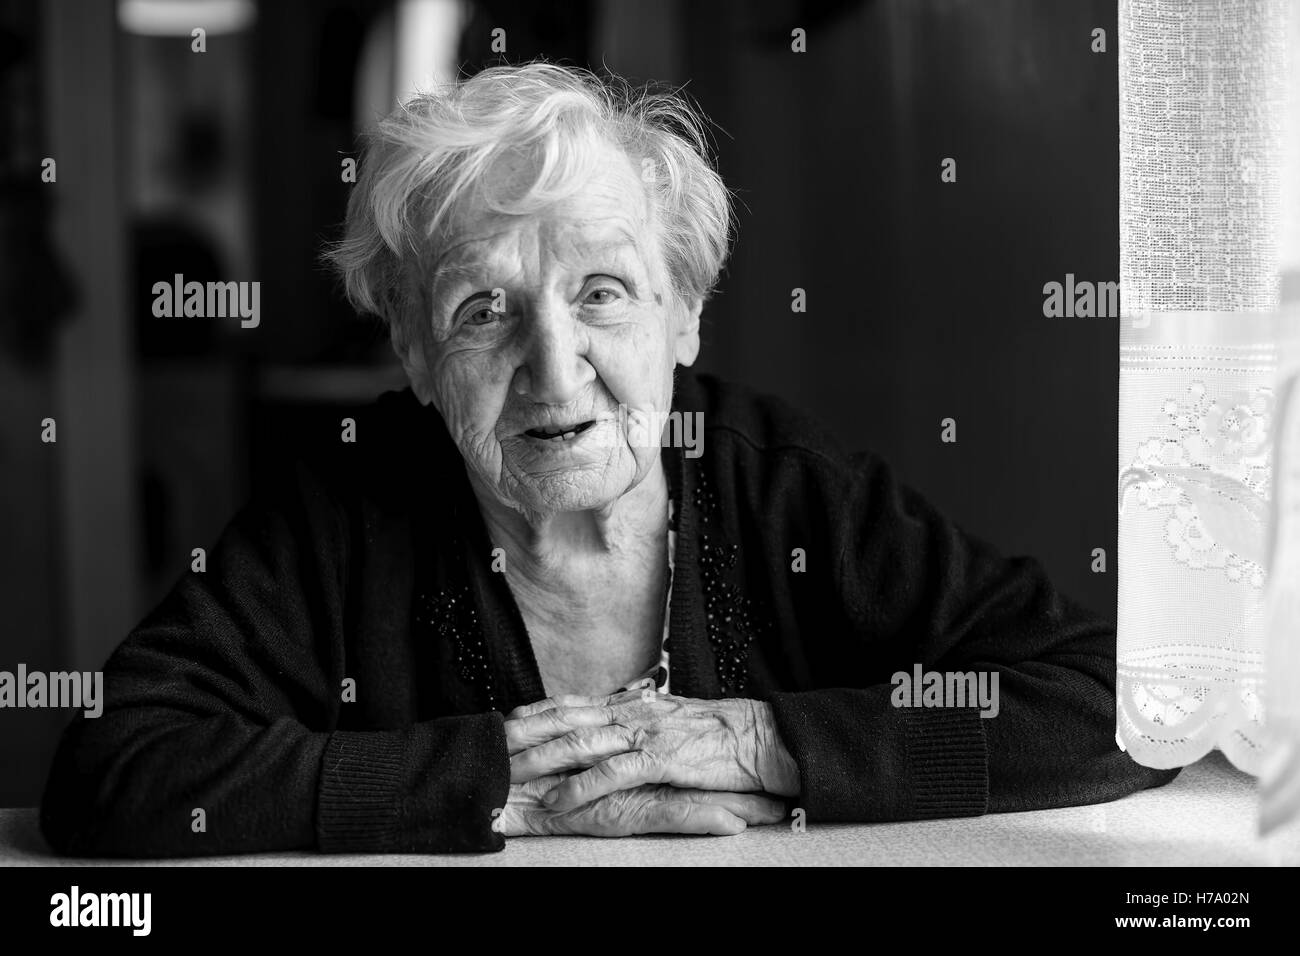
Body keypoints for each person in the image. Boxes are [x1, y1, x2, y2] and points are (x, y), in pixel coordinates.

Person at [39, 62, 1176, 856]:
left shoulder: (778, 484)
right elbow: (113, 771)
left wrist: (765, 739)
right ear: (416, 350)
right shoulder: (345, 506)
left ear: (684, 316)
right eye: (483, 308)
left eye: (602, 293)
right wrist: (482, 782)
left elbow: (1124, 701)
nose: (555, 365)